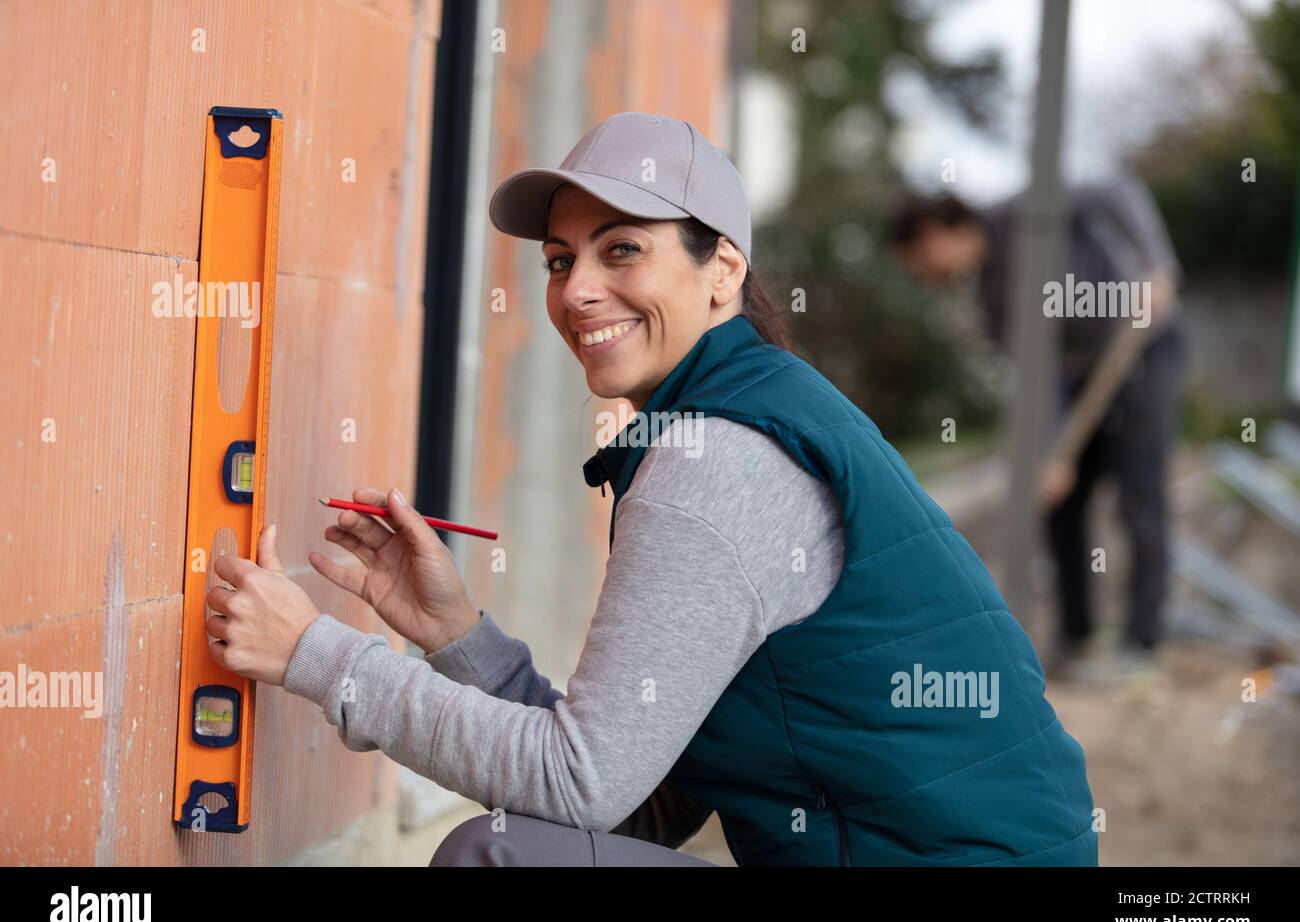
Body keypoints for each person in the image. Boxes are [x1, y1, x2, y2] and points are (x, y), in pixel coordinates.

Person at [202, 111, 1097, 866]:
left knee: (500, 858)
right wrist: (454, 635)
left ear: (724, 270)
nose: (579, 291)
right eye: (559, 262)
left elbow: (580, 785)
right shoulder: (754, 409)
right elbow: (646, 806)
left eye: (621, 249)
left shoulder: (716, 460)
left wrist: (313, 654)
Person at [888, 177, 1187, 678]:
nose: (927, 277)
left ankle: (1142, 646)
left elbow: (1116, 190)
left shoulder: (1023, 213)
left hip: (1141, 346)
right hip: (1079, 374)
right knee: (1062, 503)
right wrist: (1051, 451)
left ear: (935, 234)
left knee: (1140, 497)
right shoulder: (991, 300)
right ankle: (1076, 638)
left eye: (922, 264)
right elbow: (1037, 373)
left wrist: (1156, 266)